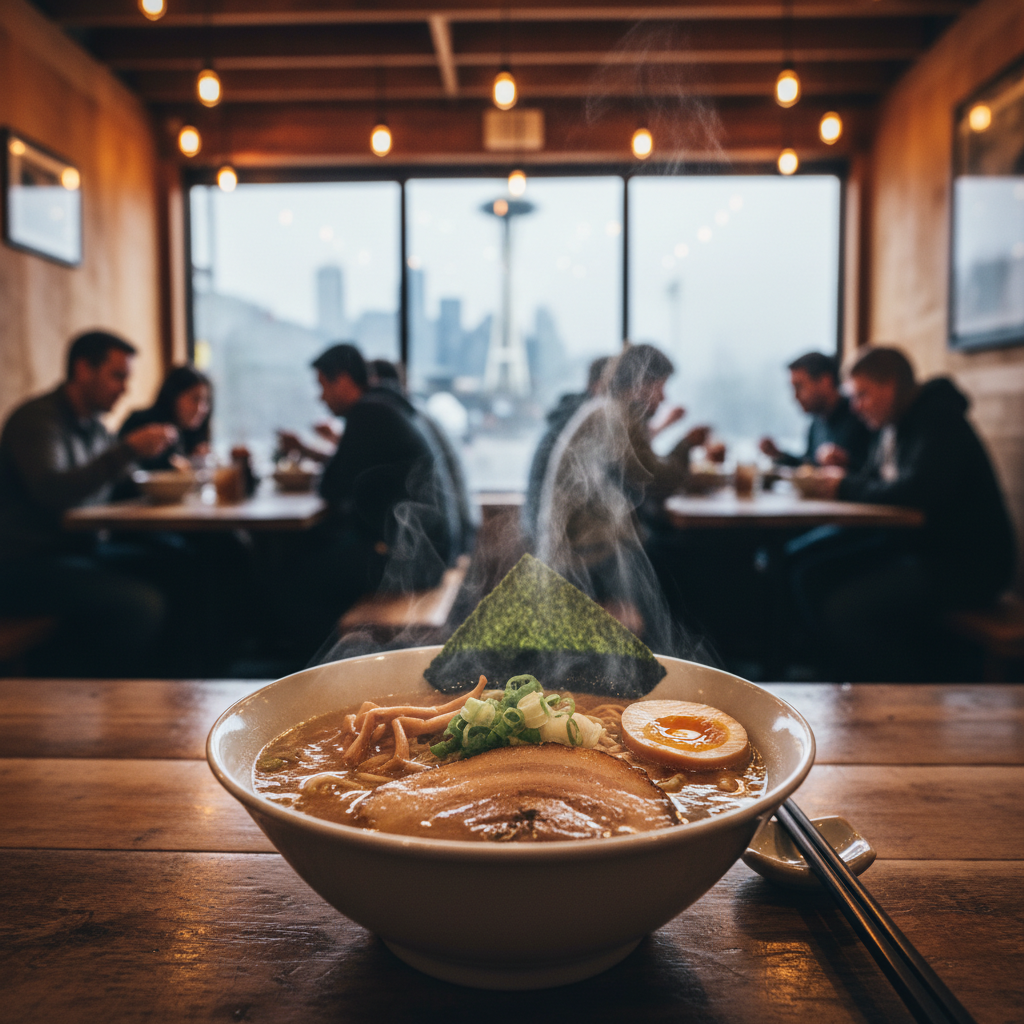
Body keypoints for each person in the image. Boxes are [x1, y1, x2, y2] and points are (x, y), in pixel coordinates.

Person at [792, 346, 1015, 680]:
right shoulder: (893, 425)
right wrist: (848, 473)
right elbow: (879, 480)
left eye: (863, 395)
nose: (856, 406)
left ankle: (900, 695)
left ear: (890, 386)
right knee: (811, 572)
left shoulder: (938, 419)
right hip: (921, 549)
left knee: (845, 609)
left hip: (969, 565)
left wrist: (845, 486)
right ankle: (834, 677)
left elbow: (915, 492)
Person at [0, 330, 177, 674]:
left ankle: (181, 682)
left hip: (79, 552)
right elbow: (53, 493)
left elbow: (120, 485)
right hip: (23, 564)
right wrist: (128, 449)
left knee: (179, 562)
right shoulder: (37, 420)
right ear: (83, 369)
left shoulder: (95, 428)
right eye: (118, 376)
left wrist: (159, 467)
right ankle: (88, 693)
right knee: (140, 605)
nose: (124, 388)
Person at [277, 344, 461, 652]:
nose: (320, 397)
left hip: (414, 560)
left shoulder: (368, 412)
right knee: (316, 558)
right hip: (429, 552)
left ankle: (308, 672)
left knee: (295, 579)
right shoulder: (387, 407)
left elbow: (331, 488)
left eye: (323, 385)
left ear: (344, 380)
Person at [536, 344, 710, 652]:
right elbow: (654, 477)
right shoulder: (613, 414)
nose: (664, 397)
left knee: (670, 563)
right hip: (586, 555)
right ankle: (664, 668)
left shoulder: (606, 410)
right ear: (641, 384)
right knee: (678, 583)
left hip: (583, 546)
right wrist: (685, 444)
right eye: (661, 387)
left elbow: (643, 471)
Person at [522, 355, 612, 547]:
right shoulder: (582, 418)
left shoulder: (570, 411)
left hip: (538, 526)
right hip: (550, 533)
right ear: (599, 385)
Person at [760, 351, 874, 473]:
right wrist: (778, 454)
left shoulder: (862, 416)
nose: (795, 397)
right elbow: (810, 465)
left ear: (825, 381)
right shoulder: (817, 421)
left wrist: (847, 463)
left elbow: (876, 473)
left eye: (799, 386)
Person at [120, 365, 212, 471]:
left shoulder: (191, 438)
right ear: (173, 396)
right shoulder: (142, 423)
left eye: (206, 401)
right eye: (195, 399)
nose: (202, 408)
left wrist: (196, 461)